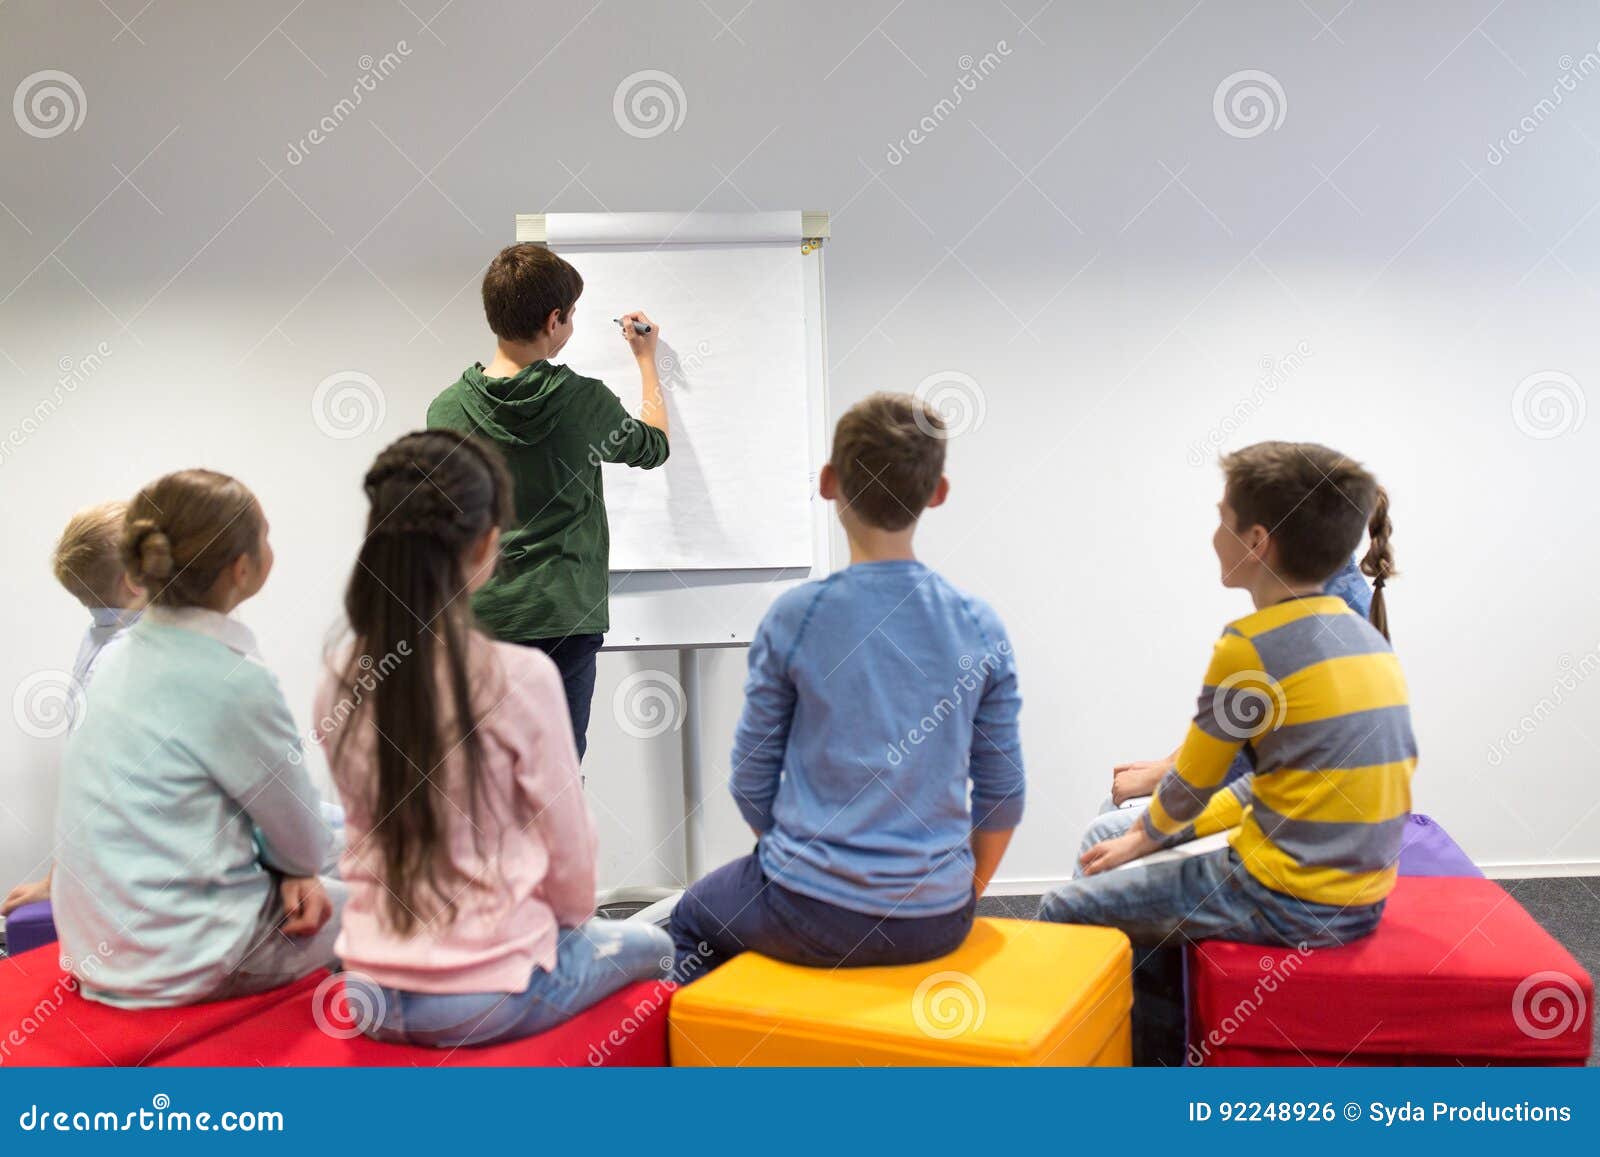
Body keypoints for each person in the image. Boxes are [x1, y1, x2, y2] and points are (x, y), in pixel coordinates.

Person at [319, 430, 671, 1048]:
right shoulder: (519, 677)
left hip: (366, 991)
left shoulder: (341, 675)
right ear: (486, 546)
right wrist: (554, 929)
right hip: (485, 996)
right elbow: (571, 869)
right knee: (662, 943)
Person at [669, 393, 1026, 982]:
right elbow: (1003, 790)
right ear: (937, 492)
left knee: (688, 920)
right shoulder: (979, 624)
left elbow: (750, 776)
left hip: (806, 907)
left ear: (829, 482)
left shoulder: (796, 617)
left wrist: (797, 866)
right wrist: (962, 893)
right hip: (938, 918)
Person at [1038, 441, 1414, 949]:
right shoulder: (1365, 637)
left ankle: (1106, 1026)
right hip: (1361, 901)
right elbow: (1267, 784)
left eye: (1222, 519)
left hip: (1281, 898)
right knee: (1135, 883)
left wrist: (1141, 837)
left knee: (1062, 908)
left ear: (1257, 541)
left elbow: (1190, 785)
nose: (1214, 535)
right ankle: (1163, 1027)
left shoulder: (1250, 646)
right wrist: (1149, 834)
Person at [53, 470, 340, 1006]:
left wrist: (296, 865)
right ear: (244, 568)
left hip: (99, 949)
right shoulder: (236, 681)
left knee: (338, 850)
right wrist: (297, 866)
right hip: (181, 962)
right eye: (266, 535)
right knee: (388, 897)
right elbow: (304, 841)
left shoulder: (112, 657)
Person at [428, 244, 669, 758]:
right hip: (563, 620)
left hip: (480, 620)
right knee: (555, 780)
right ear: (554, 319)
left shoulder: (446, 410)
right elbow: (654, 447)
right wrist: (647, 363)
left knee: (479, 779)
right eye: (573, 314)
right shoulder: (583, 400)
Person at [2, 501, 147, 917]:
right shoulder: (125, 658)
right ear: (134, 581)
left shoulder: (102, 632)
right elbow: (93, 784)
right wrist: (62, 878)